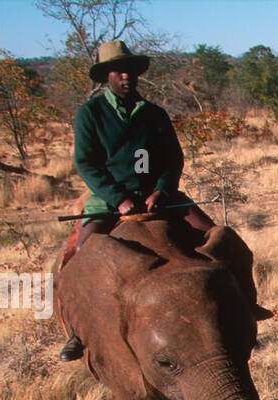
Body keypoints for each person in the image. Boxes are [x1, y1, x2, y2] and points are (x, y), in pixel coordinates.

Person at [60, 39, 215, 360]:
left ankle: (241, 302)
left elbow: (173, 159)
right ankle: (78, 330)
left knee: (218, 237)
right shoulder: (90, 114)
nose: (125, 76)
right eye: (118, 71)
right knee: (78, 256)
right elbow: (87, 164)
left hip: (158, 197)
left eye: (129, 70)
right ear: (106, 76)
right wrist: (118, 199)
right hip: (109, 201)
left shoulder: (154, 114)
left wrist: (162, 190)